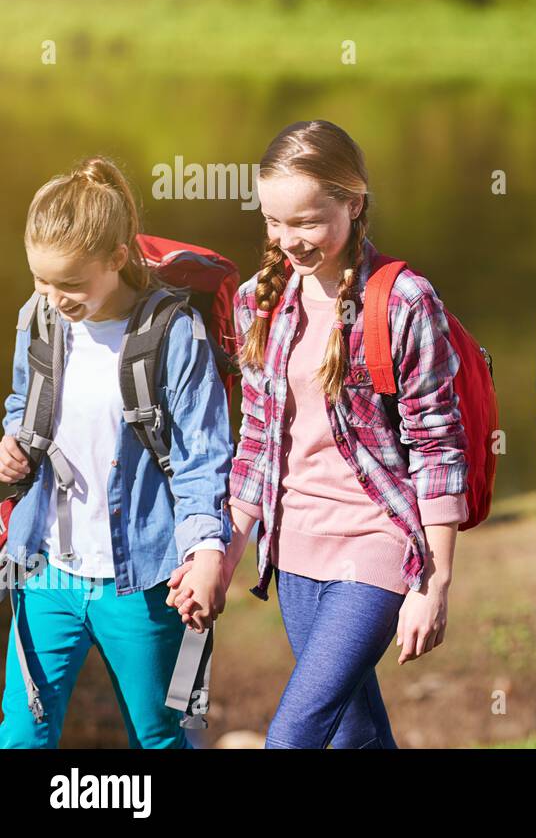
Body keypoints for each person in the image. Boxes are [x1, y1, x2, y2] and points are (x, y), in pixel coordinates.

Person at [189, 120, 468, 749]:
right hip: (292, 551)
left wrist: (434, 582)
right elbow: (256, 443)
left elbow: (438, 447)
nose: (290, 240)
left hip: (376, 545)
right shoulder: (260, 301)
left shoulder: (401, 301)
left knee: (295, 734)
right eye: (275, 222)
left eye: (308, 222)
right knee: (353, 735)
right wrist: (224, 556)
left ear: (354, 202)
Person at [0, 156, 230, 748]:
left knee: (163, 735)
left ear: (118, 257)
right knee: (23, 734)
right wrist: (12, 445)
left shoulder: (176, 334)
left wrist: (206, 551)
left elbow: (204, 455)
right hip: (45, 571)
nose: (52, 297)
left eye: (70, 284)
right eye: (40, 281)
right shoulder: (39, 319)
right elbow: (25, 403)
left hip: (145, 579)